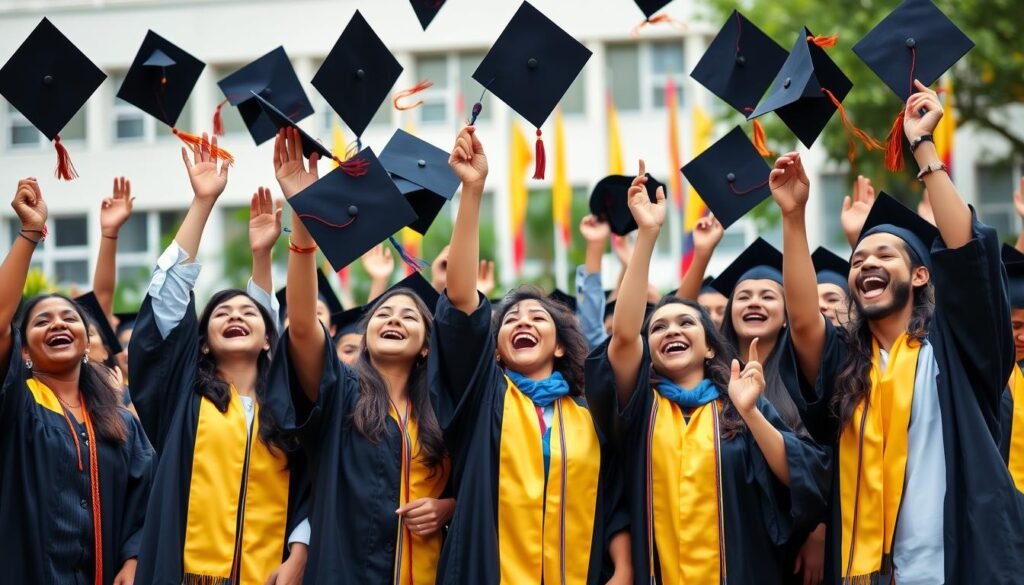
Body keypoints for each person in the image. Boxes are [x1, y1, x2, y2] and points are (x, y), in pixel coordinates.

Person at [775, 81, 1024, 584]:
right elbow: (803, 320)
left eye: (884, 255)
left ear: (920, 274)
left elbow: (967, 256)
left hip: (962, 564)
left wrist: (923, 147)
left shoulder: (952, 355)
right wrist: (793, 216)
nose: (865, 263)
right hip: (872, 574)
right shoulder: (847, 364)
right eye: (858, 259)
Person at [587, 161, 827, 585]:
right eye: (658, 327)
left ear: (711, 344)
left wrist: (753, 414)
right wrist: (647, 235)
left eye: (686, 324)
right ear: (651, 352)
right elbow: (624, 337)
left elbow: (800, 478)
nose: (671, 330)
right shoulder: (642, 408)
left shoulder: (737, 407)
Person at [430, 126, 631, 584]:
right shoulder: (485, 398)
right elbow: (461, 298)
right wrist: (472, 190)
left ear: (560, 344)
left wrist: (624, 566)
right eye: (510, 319)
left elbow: (613, 493)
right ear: (494, 351)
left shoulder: (587, 414)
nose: (522, 322)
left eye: (538, 318)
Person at [263, 127, 453, 584]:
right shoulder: (342, 395)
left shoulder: (443, 407)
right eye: (383, 313)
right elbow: (305, 326)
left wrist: (450, 505)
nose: (394, 319)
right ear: (363, 338)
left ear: (426, 343)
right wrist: (304, 218)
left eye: (410, 316)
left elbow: (482, 479)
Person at [132, 135, 309, 585]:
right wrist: (203, 202)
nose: (234, 316)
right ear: (203, 342)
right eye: (221, 314)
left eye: (246, 312)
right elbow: (167, 303)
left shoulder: (289, 407)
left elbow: (312, 484)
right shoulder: (183, 398)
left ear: (268, 339)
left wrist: (262, 256)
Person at [0, 177, 155, 585]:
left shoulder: (119, 421)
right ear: (24, 352)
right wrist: (31, 232)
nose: (58, 323)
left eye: (69, 317)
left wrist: (134, 560)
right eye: (42, 320)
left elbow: (147, 500)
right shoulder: (19, 405)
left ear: (88, 342)